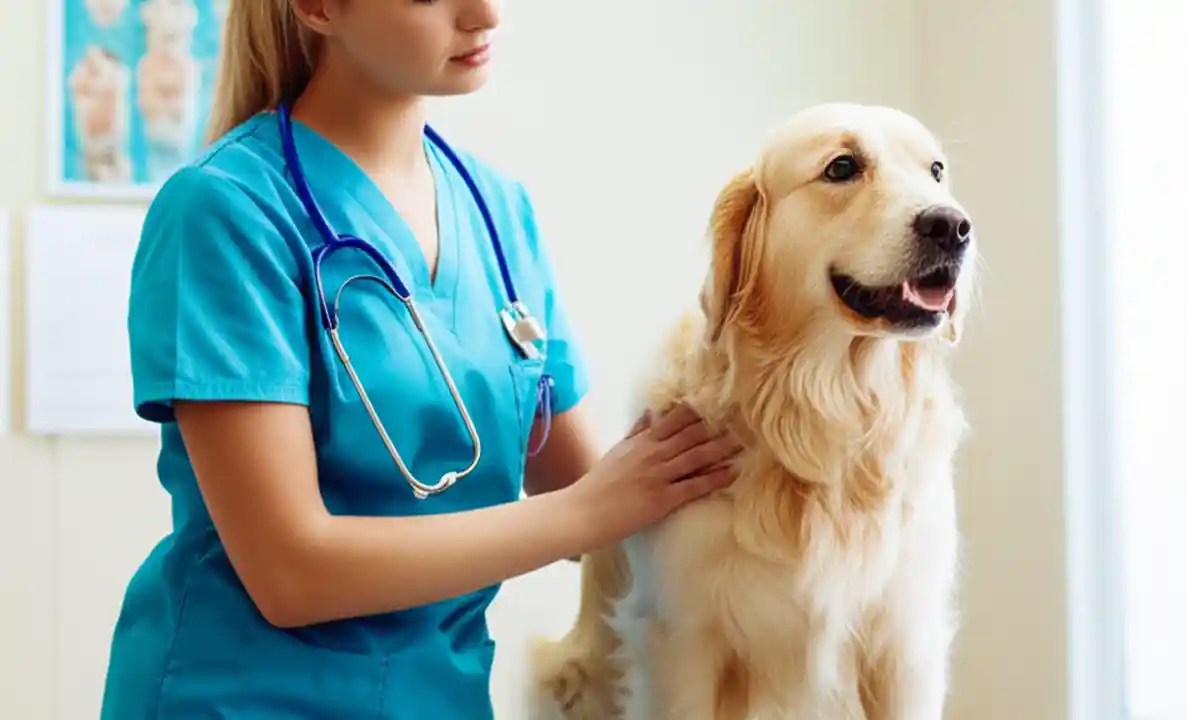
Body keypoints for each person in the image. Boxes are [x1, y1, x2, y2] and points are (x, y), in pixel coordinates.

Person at [99, 1, 738, 718]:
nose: (485, 13)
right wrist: (591, 510)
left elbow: (607, 490)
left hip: (441, 698)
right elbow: (290, 572)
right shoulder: (224, 211)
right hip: (243, 698)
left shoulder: (497, 209)